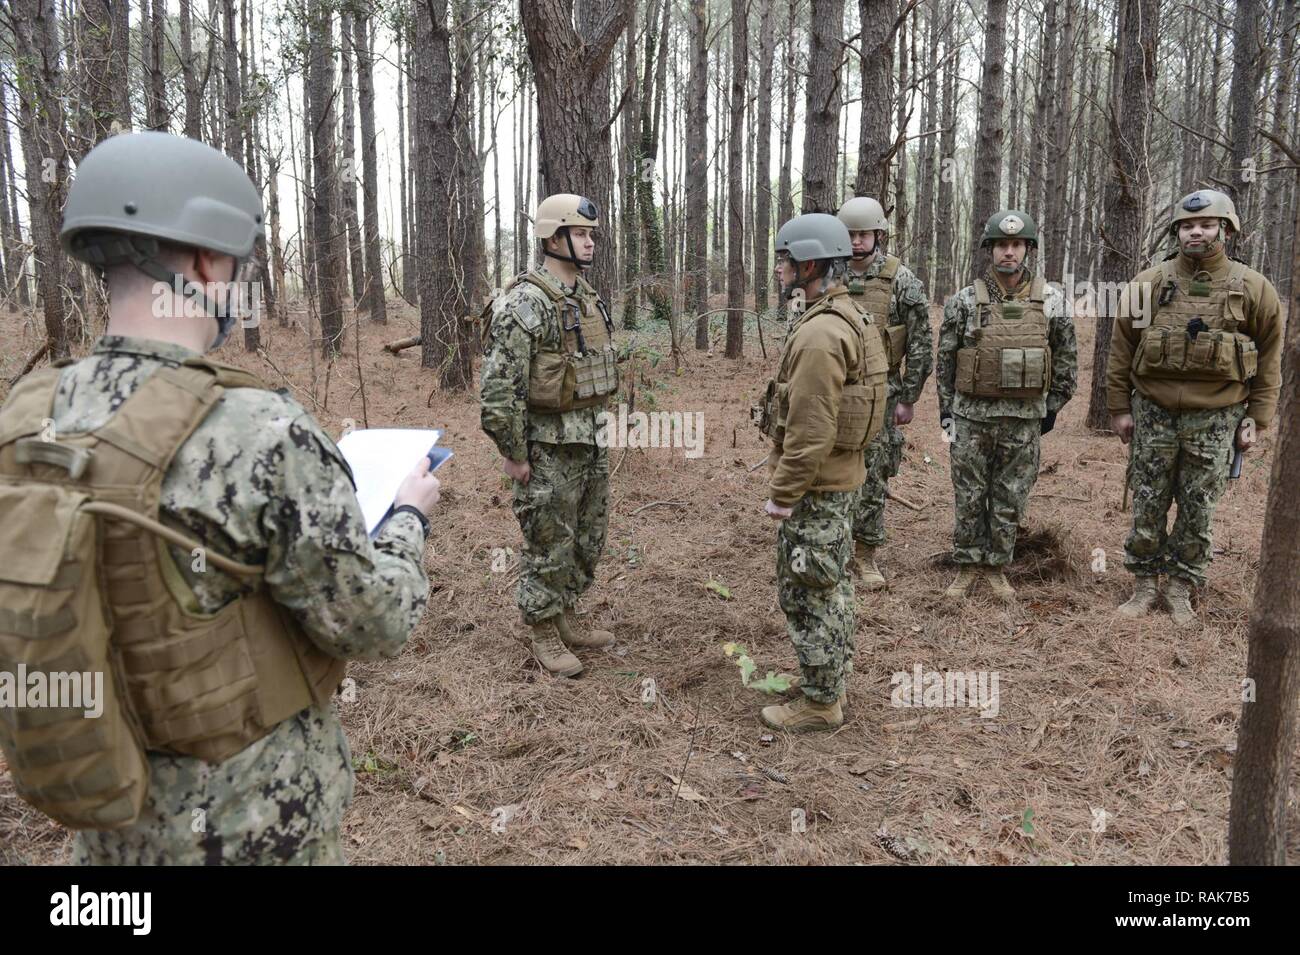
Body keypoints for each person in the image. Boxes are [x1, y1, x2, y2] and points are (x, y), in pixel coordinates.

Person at [0, 131, 439, 864]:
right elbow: (373, 622)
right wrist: (408, 518)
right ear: (206, 259)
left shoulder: (25, 413)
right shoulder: (259, 427)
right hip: (252, 821)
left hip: (109, 817)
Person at [1107, 189, 1282, 626]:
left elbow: (1270, 358)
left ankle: (1182, 585)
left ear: (1225, 229)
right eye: (1187, 226)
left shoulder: (1253, 288)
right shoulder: (1150, 283)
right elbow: (1122, 348)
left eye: (1205, 225)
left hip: (1218, 417)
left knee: (1199, 504)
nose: (1196, 232)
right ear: (1177, 232)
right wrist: (1118, 408)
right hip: (1153, 412)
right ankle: (1145, 583)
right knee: (1147, 499)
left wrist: (1256, 419)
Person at [754, 213, 887, 732]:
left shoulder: (821, 334)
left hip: (818, 485)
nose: (780, 268)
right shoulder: (847, 315)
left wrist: (782, 494)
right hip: (840, 478)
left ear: (809, 263)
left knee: (810, 587)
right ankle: (823, 681)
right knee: (830, 584)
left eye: (785, 259)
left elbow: (811, 428)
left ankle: (821, 701)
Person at [480, 194, 618, 677]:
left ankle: (565, 613)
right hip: (547, 447)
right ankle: (540, 624)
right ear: (553, 238)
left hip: (589, 440)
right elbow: (500, 387)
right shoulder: (524, 302)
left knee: (588, 536)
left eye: (591, 235)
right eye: (581, 234)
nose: (590, 243)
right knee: (548, 539)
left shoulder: (585, 297)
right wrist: (514, 453)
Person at [935, 209, 1077, 602]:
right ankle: (966, 565)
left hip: (1023, 420)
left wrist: (1050, 410)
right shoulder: (964, 301)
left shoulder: (1051, 301)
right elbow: (946, 360)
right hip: (971, 418)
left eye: (1016, 245)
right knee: (969, 494)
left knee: (1011, 495)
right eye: (1001, 245)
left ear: (1027, 249)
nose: (1008, 253)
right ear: (990, 251)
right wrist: (947, 412)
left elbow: (1066, 361)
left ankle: (996, 566)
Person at [836, 196, 933, 590]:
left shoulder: (900, 279)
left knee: (874, 475)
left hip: (883, 394)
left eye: (864, 234)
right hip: (835, 393)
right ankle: (835, 549)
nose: (857, 242)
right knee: (834, 473)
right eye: (850, 235)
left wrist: (908, 397)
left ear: (878, 234)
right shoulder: (828, 273)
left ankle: (865, 554)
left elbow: (921, 341)